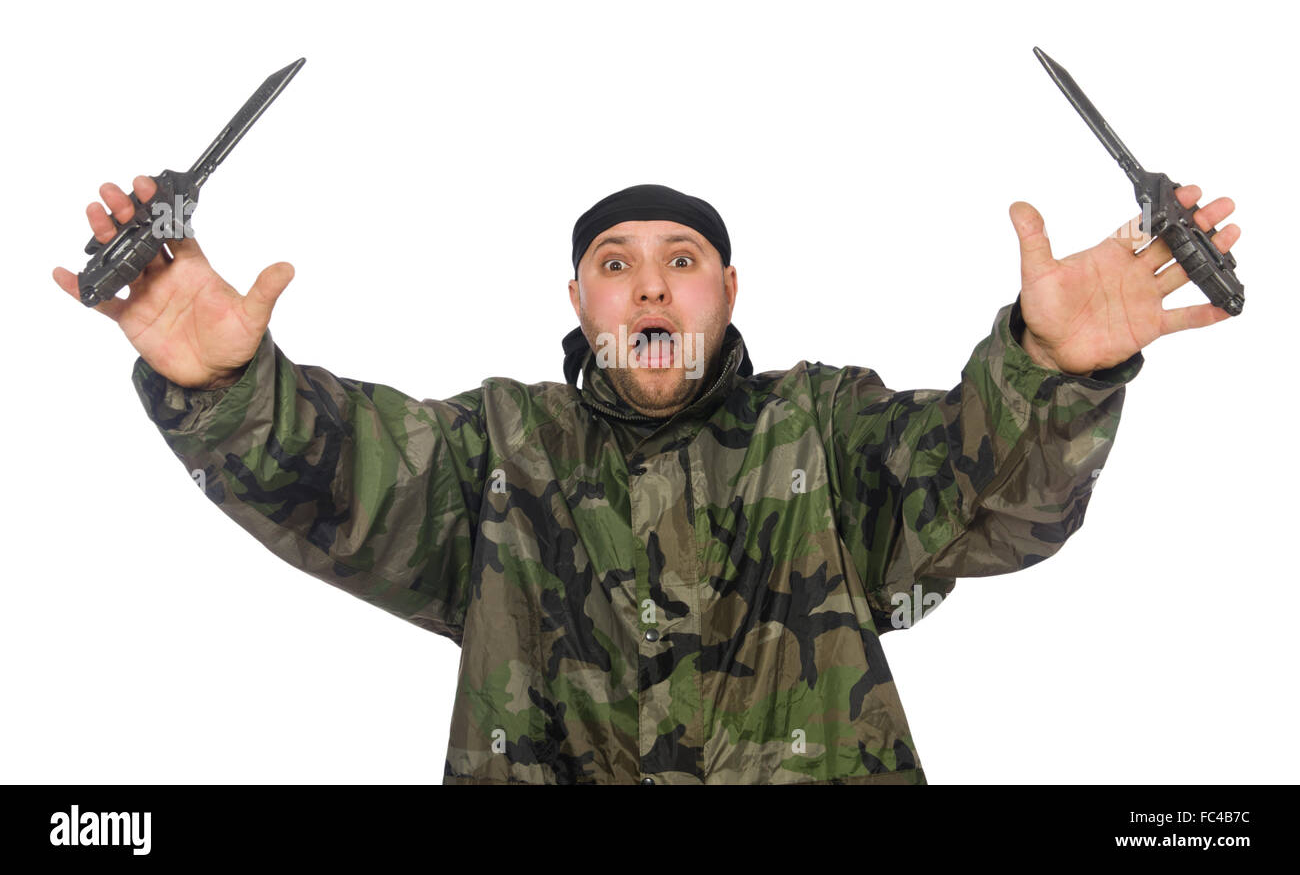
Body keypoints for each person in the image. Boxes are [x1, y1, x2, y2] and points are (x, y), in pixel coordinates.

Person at [54, 179, 1240, 784]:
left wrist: (1046, 372)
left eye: (683, 262)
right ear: (579, 303)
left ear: (728, 292)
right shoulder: (498, 454)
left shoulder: (822, 428)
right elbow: (334, 476)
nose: (652, 287)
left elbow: (994, 503)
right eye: (615, 265)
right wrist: (227, 387)